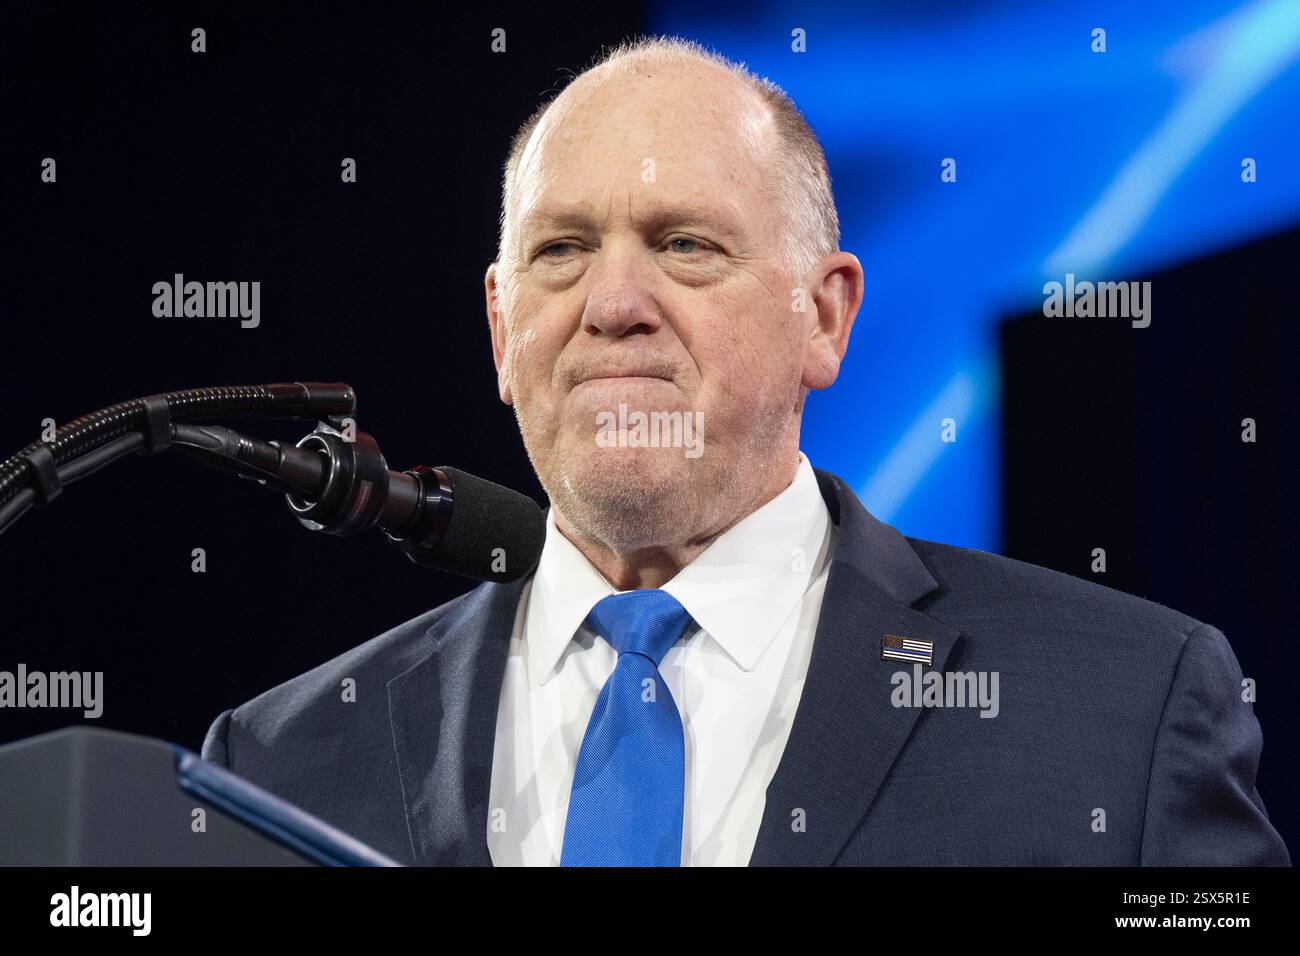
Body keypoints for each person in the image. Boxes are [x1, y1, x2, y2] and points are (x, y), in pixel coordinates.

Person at [201, 36, 1289, 867]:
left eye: (685, 243)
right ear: (499, 326)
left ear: (824, 317)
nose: (613, 303)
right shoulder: (278, 762)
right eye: (562, 250)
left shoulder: (1122, 713)